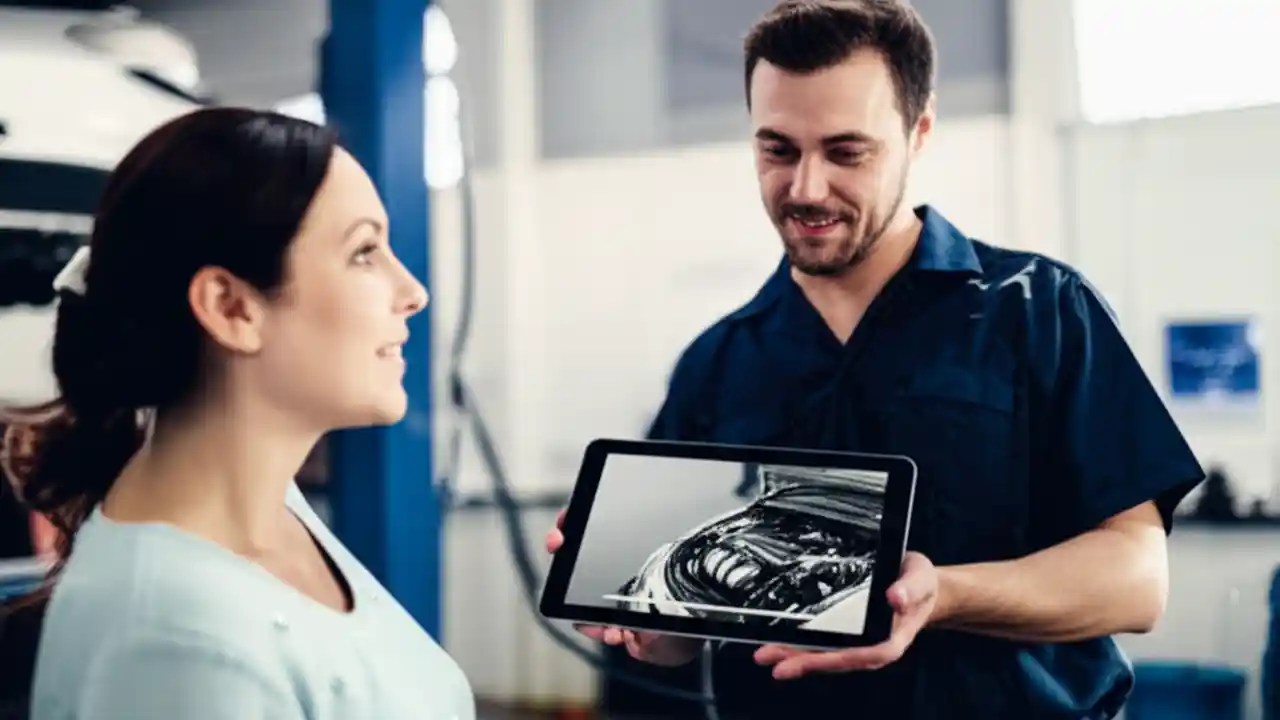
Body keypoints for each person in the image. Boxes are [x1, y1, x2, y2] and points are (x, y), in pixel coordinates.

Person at [545, 1, 1204, 718]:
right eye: (777, 150)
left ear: (918, 134)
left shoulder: (1039, 311)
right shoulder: (718, 362)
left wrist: (942, 594)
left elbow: (1136, 581)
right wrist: (643, 607)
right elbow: (685, 637)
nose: (805, 188)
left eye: (845, 152)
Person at [0, 107, 474, 720]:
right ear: (231, 307)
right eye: (364, 252)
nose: (412, 291)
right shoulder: (178, 643)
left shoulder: (267, 508)